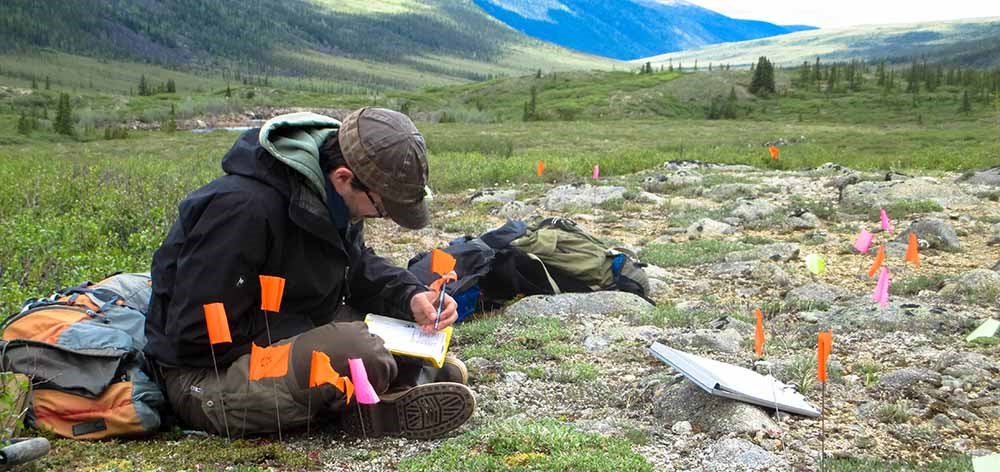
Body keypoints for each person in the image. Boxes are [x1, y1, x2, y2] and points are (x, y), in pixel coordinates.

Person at [145, 108, 475, 439]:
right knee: (357, 348)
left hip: (281, 333)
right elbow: (195, 334)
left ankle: (395, 378)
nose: (384, 218)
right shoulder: (242, 210)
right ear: (344, 177)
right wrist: (315, 337)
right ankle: (376, 401)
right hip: (206, 377)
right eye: (383, 207)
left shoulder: (329, 200)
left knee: (382, 331)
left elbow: (356, 264)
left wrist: (411, 295)